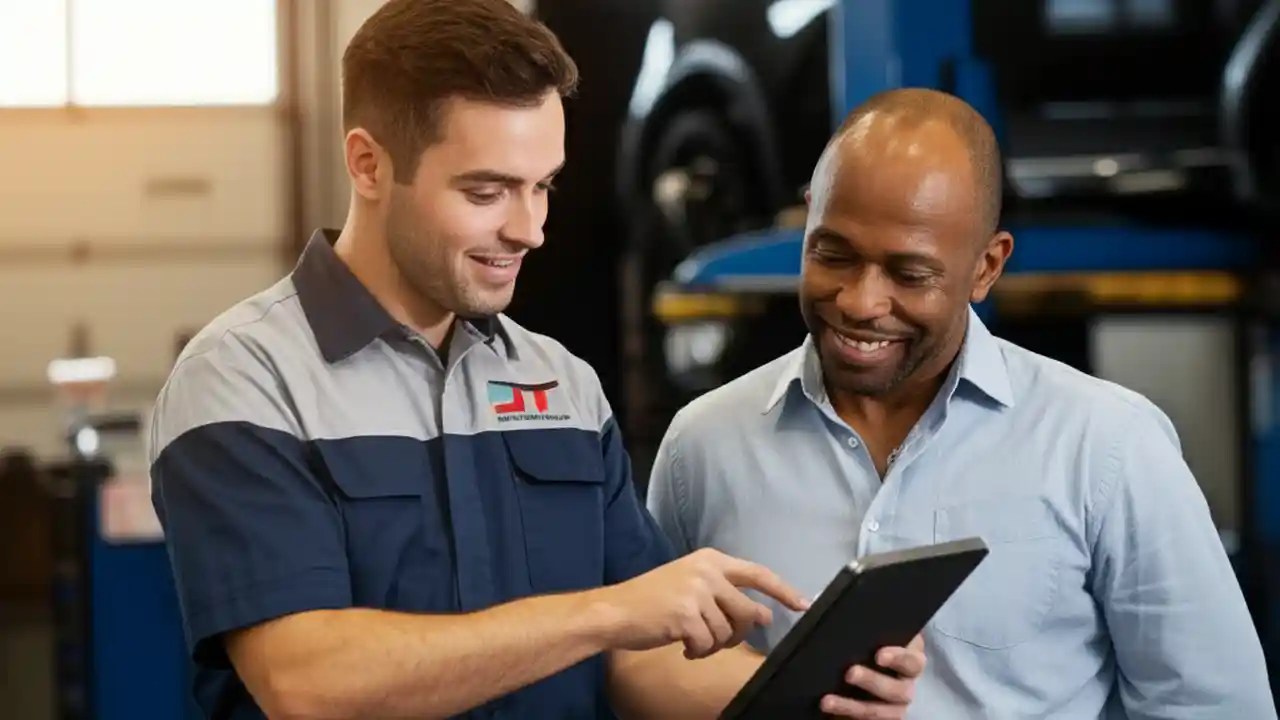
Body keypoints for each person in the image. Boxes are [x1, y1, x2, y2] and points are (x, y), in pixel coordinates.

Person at [145, 1, 926, 718]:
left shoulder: (561, 385)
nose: (530, 229)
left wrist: (814, 691)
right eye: (487, 192)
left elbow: (638, 660)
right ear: (369, 164)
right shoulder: (246, 381)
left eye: (542, 186)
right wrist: (604, 612)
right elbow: (310, 682)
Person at [645, 87, 1278, 718]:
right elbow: (643, 675)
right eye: (832, 254)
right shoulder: (701, 450)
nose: (861, 302)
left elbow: (1214, 707)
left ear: (986, 267)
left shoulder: (1106, 446)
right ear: (808, 218)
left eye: (910, 274)